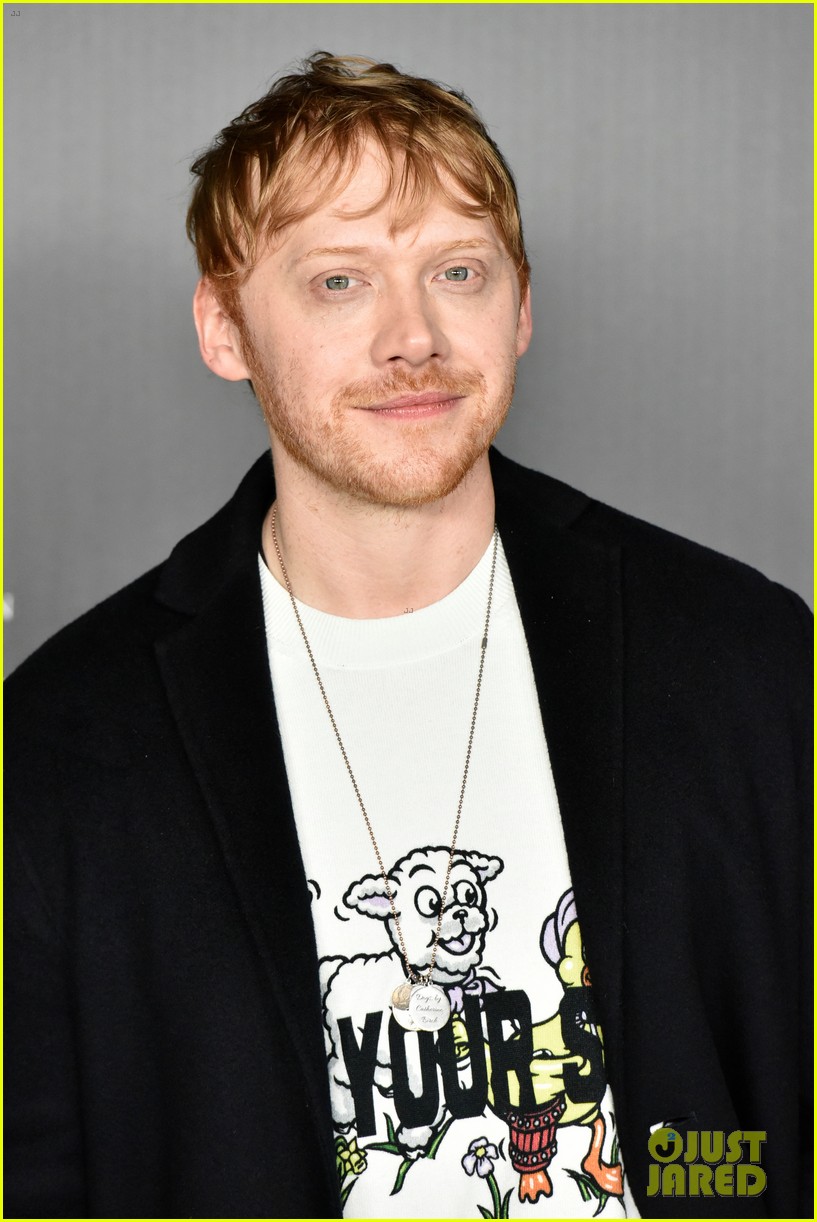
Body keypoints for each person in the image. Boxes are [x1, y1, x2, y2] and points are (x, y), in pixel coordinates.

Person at [4, 52, 810, 1221]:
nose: (414, 336)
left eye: (457, 270)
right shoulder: (56, 744)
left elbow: (772, 1136)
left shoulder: (748, 659)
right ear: (224, 327)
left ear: (520, 307)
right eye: (339, 281)